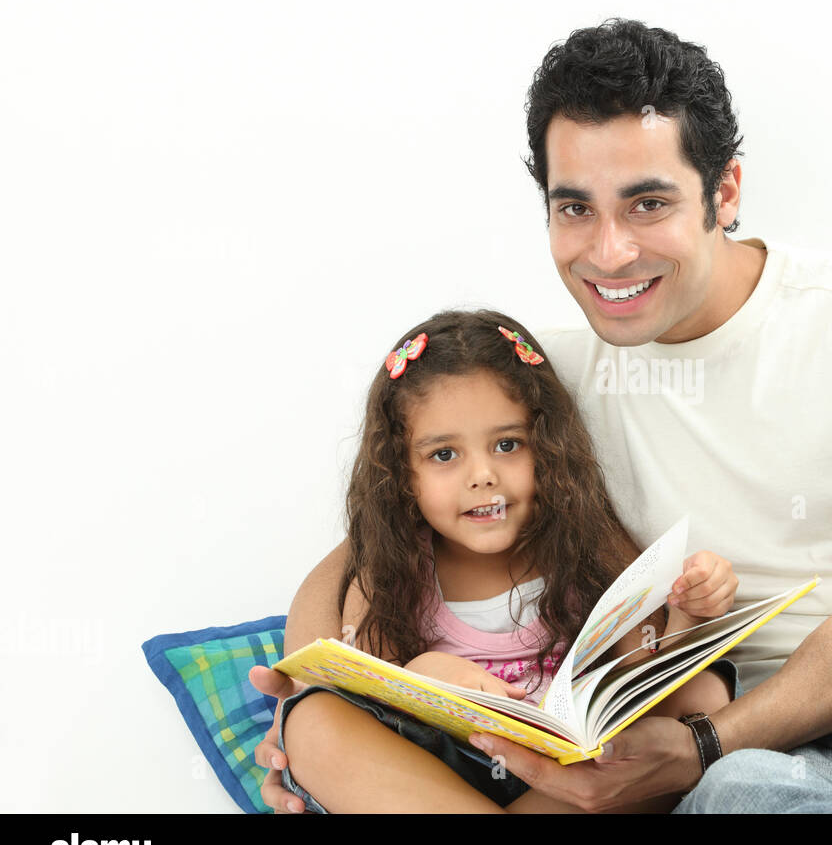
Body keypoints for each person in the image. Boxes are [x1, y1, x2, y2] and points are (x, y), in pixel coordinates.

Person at [253, 19, 832, 813]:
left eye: (648, 204)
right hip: (752, 738)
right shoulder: (546, 378)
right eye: (575, 206)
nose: (609, 252)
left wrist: (701, 744)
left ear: (724, 191)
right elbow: (375, 531)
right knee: (745, 802)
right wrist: (311, 707)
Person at [259, 308, 736, 813]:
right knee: (313, 720)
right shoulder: (390, 570)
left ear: (548, 448)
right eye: (444, 455)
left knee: (703, 696)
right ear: (401, 473)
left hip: (569, 781)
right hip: (442, 779)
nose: (482, 475)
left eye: (507, 445)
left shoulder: (586, 542)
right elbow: (369, 697)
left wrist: (690, 611)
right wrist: (431, 674)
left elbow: (645, 674)